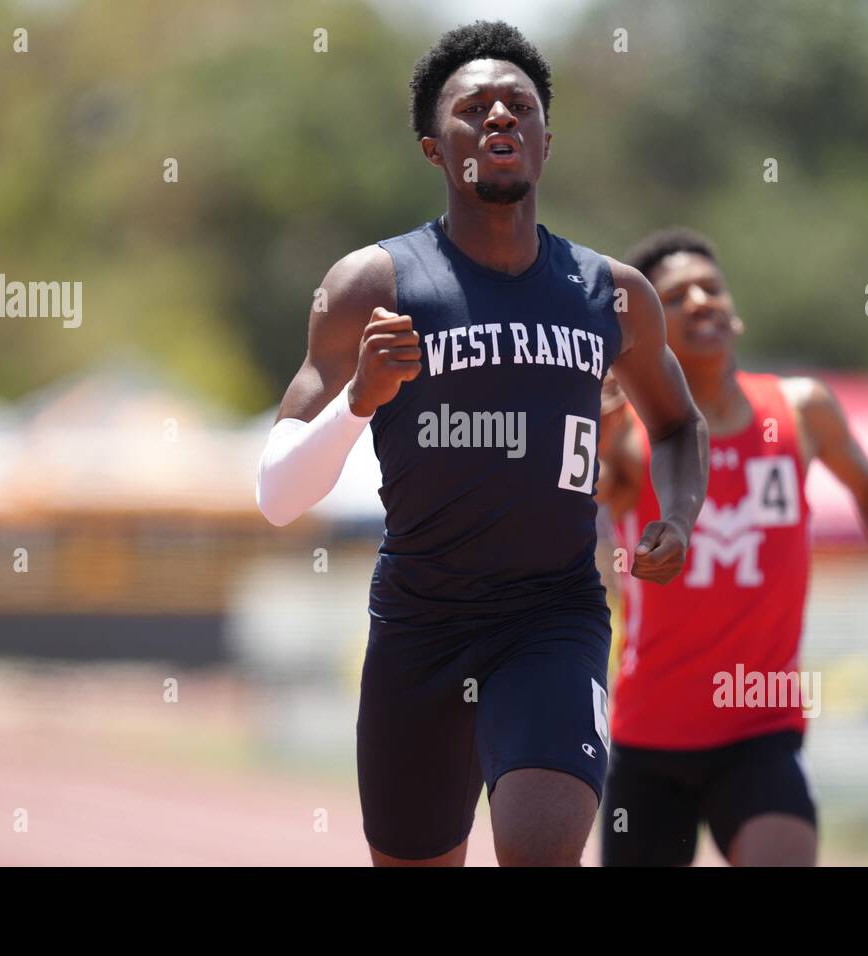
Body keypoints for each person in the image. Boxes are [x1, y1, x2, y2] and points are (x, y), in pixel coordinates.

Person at [256, 23, 708, 866]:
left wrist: (678, 517)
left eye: (521, 106)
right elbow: (277, 495)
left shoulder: (612, 295)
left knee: (540, 851)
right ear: (436, 148)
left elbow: (680, 426)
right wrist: (359, 400)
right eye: (474, 108)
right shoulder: (373, 286)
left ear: (545, 139)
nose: (500, 116)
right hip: (419, 630)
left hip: (552, 619)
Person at [597, 227, 868, 867]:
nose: (701, 300)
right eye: (675, 297)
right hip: (648, 738)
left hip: (760, 731)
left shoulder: (801, 410)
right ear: (651, 330)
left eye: (712, 287)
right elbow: (563, 513)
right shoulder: (626, 436)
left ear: (735, 310)